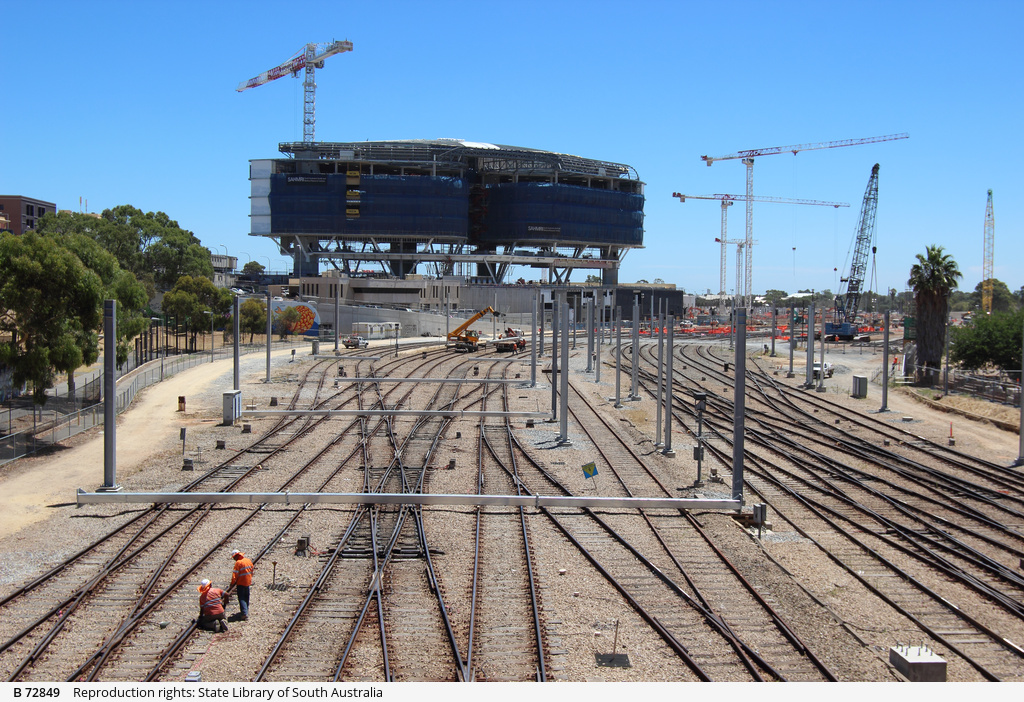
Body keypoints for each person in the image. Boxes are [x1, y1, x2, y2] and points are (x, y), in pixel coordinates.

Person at [230, 549, 254, 620]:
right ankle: (246, 610)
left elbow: (235, 575)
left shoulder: (238, 563)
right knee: (247, 597)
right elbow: (252, 570)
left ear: (236, 556)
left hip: (241, 583)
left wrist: (232, 583)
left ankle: (244, 614)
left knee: (242, 598)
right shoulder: (248, 560)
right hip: (248, 582)